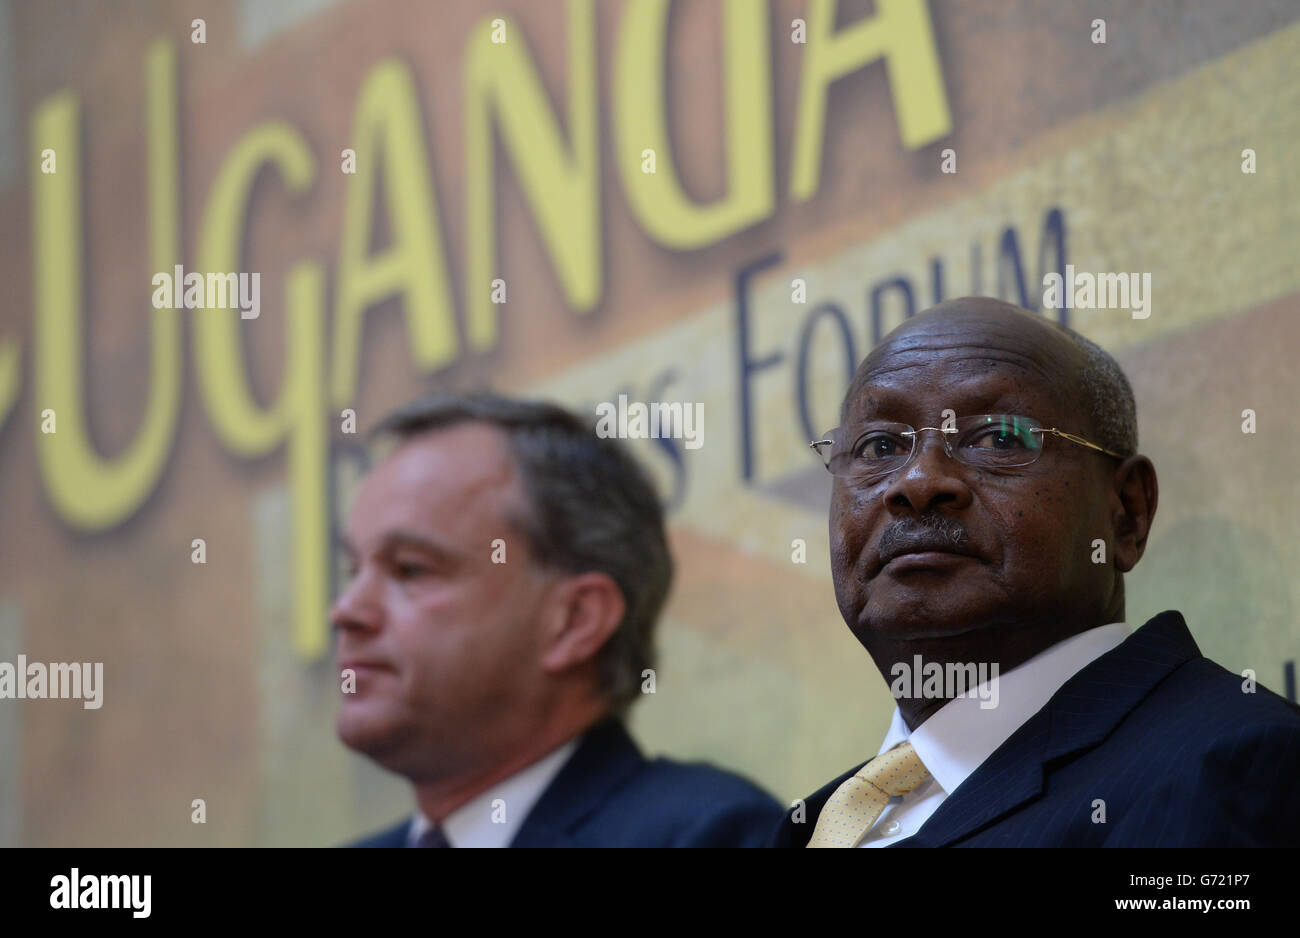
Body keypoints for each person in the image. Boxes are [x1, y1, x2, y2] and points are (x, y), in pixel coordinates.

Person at [774, 296, 1300, 847]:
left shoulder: (1232, 765)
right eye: (879, 445)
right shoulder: (820, 823)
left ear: (1127, 513)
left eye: (998, 438)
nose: (919, 482)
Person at [334, 392, 783, 847]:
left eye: (410, 569)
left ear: (576, 620)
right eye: (353, 571)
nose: (346, 611)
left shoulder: (708, 834)